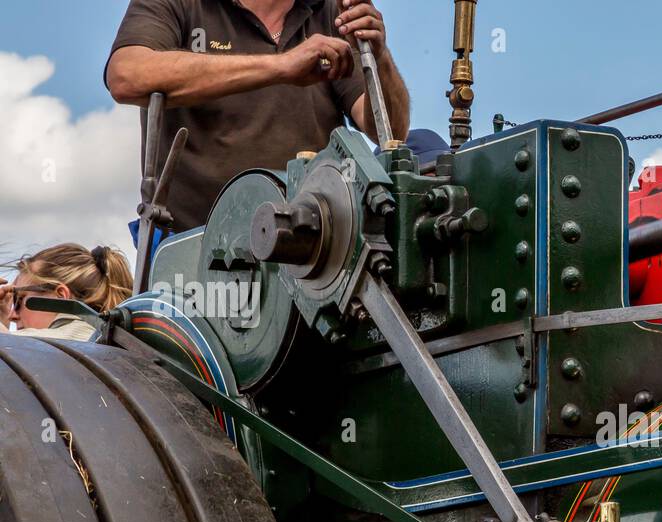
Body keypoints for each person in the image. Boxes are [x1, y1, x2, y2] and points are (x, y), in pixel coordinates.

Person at [105, 0, 411, 235]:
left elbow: (390, 132)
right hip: (194, 249)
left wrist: (379, 56)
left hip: (311, 253)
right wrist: (281, 67)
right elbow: (127, 75)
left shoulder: (332, 10)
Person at [0, 244, 133, 342]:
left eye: (19, 301)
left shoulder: (60, 343)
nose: (12, 316)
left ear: (61, 297)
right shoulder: (111, 340)